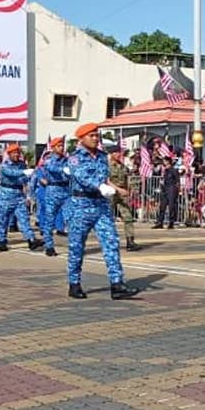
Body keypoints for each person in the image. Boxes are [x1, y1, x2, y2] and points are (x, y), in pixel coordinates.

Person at [65, 123, 140, 300]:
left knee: (111, 242)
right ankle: (74, 283)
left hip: (101, 205)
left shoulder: (101, 156)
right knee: (77, 246)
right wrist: (99, 186)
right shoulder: (75, 158)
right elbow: (81, 177)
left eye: (96, 135)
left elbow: (105, 178)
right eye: (91, 135)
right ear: (81, 138)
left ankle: (117, 284)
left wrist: (112, 188)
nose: (95, 138)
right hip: (81, 205)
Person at [0, 143, 43, 251]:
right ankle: (1, 241)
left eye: (18, 153)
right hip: (6, 195)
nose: (16, 155)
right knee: (3, 219)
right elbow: (11, 173)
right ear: (9, 154)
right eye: (14, 153)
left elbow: (25, 181)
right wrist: (23, 172)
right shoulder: (5, 165)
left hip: (19, 195)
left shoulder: (21, 164)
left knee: (24, 218)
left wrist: (28, 196)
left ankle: (31, 240)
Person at [38, 137, 69, 257]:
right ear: (53, 147)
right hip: (53, 190)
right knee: (49, 219)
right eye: (59, 146)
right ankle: (49, 246)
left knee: (70, 217)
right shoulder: (49, 160)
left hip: (65, 190)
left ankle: (74, 246)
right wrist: (64, 170)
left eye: (62, 146)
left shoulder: (67, 160)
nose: (61, 148)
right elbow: (52, 168)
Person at [107, 144, 140, 251]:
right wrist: (118, 189)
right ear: (111, 154)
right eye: (116, 152)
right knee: (107, 218)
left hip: (122, 194)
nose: (118, 154)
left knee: (128, 217)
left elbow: (127, 179)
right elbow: (106, 181)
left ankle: (130, 241)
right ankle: (108, 241)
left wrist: (131, 190)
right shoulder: (106, 166)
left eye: (119, 152)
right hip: (110, 193)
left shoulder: (122, 166)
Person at [153, 156, 179, 229]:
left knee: (171, 206)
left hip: (171, 189)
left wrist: (176, 191)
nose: (163, 162)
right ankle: (160, 222)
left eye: (164, 161)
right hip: (164, 188)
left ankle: (171, 223)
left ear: (168, 162)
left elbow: (177, 181)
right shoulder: (165, 170)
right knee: (162, 206)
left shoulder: (173, 170)